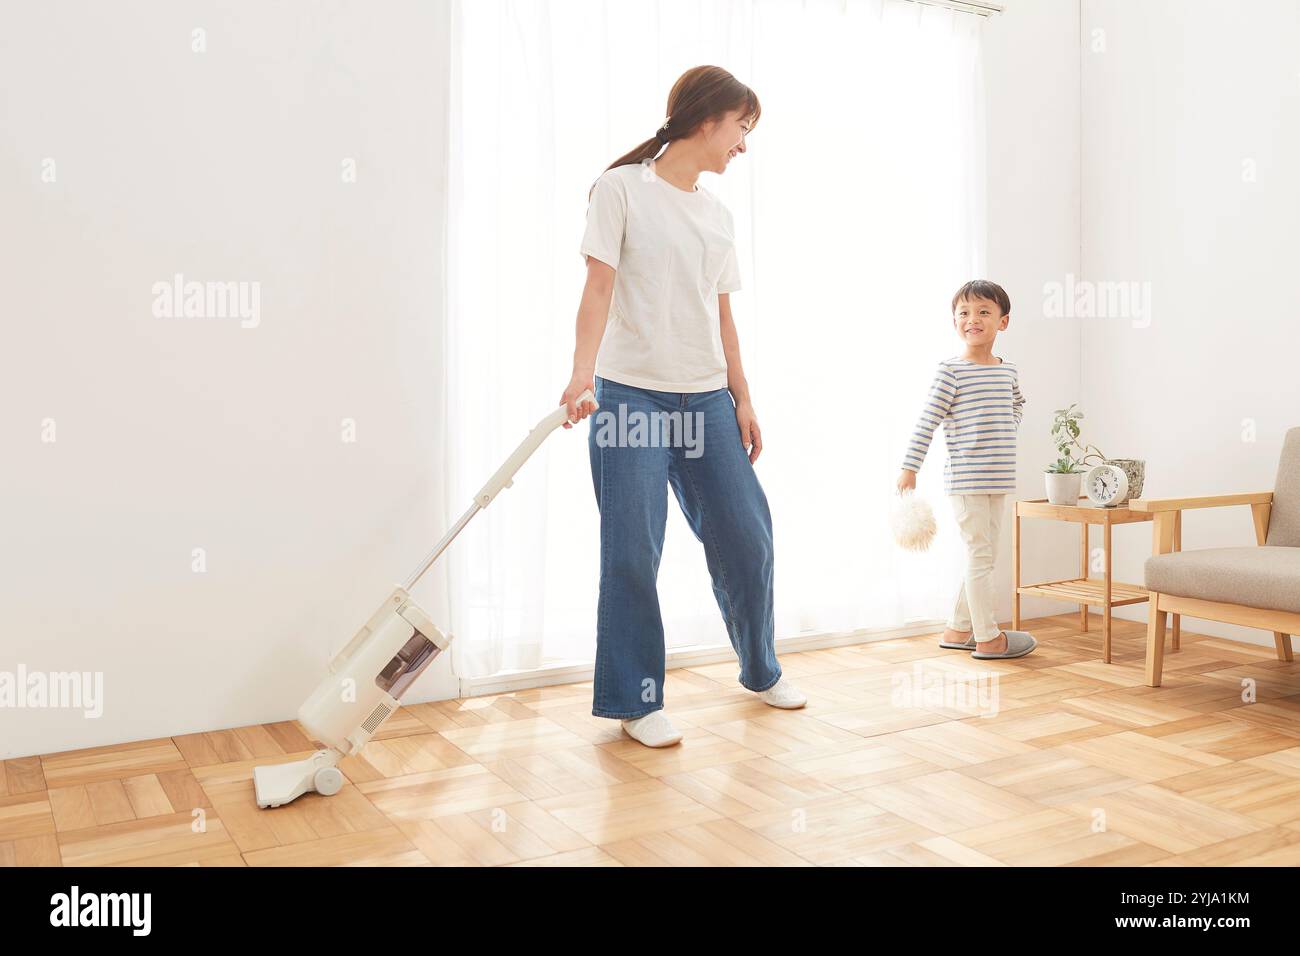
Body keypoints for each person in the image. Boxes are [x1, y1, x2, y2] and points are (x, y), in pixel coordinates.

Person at [560, 65, 806, 748]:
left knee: (747, 537)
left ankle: (760, 669)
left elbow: (721, 316)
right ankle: (637, 701)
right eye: (742, 129)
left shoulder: (716, 214)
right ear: (707, 120)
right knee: (633, 550)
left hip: (705, 398)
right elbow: (598, 290)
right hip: (630, 395)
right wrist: (582, 376)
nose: (744, 146)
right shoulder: (621, 190)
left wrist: (743, 396)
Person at [896, 280, 1037, 660]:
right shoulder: (951, 372)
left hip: (999, 478)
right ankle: (988, 637)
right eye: (964, 313)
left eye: (983, 312)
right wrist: (910, 468)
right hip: (967, 479)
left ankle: (958, 630)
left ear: (1002, 322)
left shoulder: (1006, 372)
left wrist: (1008, 425)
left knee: (984, 555)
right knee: (980, 555)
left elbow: (1018, 405)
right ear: (954, 321)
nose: (972, 319)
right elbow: (927, 421)